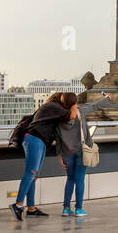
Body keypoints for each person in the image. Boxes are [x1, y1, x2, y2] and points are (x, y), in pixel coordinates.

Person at [10, 92, 76, 221]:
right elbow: (72, 115)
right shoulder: (52, 106)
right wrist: (74, 105)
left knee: (33, 176)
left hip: (37, 141)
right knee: (31, 173)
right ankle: (17, 205)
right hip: (35, 140)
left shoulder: (50, 108)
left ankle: (31, 208)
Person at [58, 93, 109, 216]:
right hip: (82, 151)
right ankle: (79, 209)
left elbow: (58, 139)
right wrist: (107, 98)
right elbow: (95, 106)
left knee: (70, 179)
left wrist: (59, 157)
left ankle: (66, 208)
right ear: (74, 102)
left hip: (66, 152)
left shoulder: (58, 117)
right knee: (79, 180)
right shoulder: (80, 112)